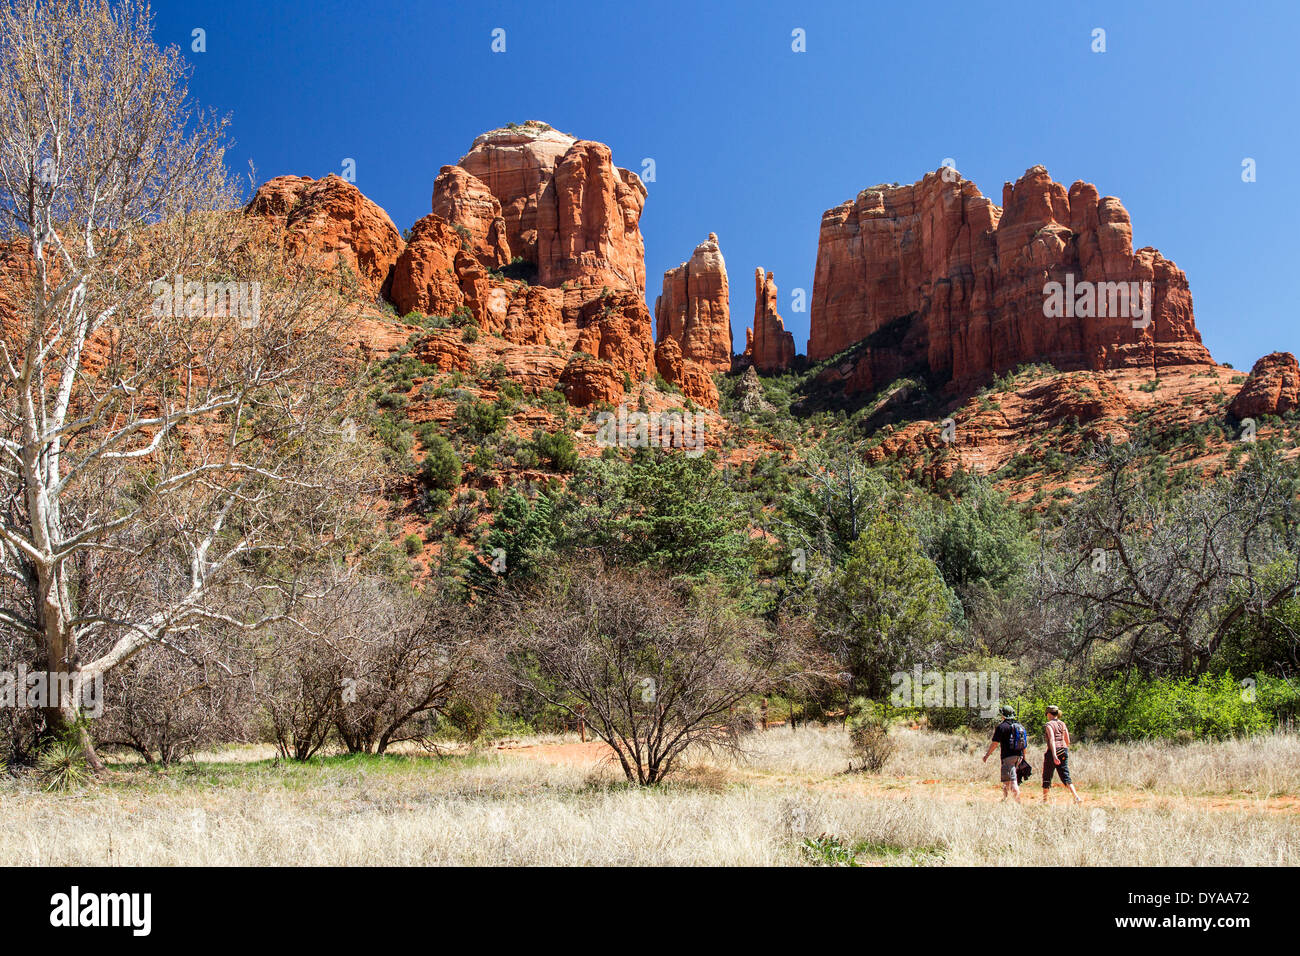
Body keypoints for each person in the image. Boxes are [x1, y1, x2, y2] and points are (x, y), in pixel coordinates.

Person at [982, 705, 1025, 802]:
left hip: (1008, 757)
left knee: (1013, 780)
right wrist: (1023, 757)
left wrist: (987, 755)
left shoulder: (1001, 727)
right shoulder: (1019, 726)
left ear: (1003, 715)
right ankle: (1005, 799)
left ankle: (1017, 802)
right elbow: (1024, 744)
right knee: (1007, 779)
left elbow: (995, 743)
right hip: (1019, 756)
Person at [1042, 704, 1082, 804]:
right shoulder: (1062, 724)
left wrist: (1054, 755)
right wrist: (1063, 750)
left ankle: (1045, 800)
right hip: (1063, 749)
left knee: (1047, 774)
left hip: (1053, 751)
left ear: (1048, 714)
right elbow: (1067, 740)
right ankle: (1076, 797)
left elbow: (1051, 739)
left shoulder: (1049, 725)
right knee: (1065, 775)